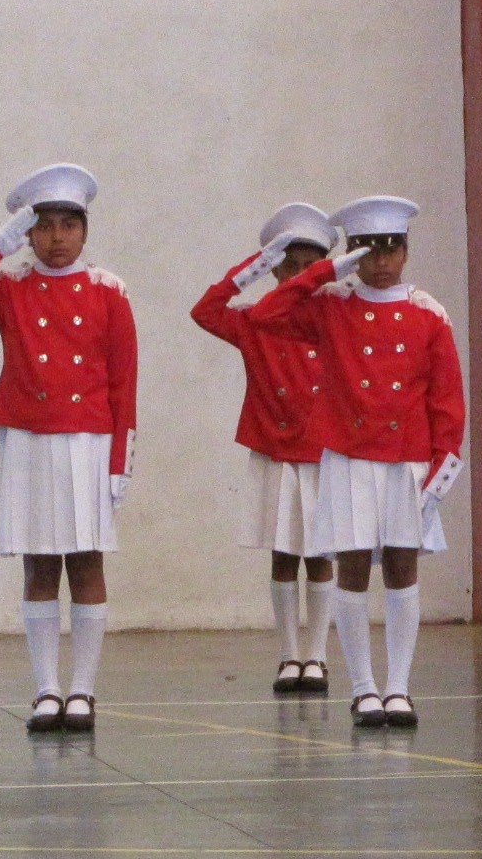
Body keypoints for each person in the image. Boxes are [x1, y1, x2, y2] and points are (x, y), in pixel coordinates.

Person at [0, 164, 137, 733]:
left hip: (87, 440)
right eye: (43, 226)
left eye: (69, 225)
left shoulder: (108, 290)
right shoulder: (9, 285)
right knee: (40, 563)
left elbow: (125, 382)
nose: (57, 238)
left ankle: (83, 691)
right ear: (28, 232)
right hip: (26, 437)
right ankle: (47, 688)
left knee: (87, 562)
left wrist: (120, 461)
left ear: (85, 230)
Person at [250, 196, 465, 728]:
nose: (382, 261)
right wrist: (324, 270)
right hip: (349, 457)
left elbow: (447, 401)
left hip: (406, 460)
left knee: (401, 568)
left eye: (393, 248)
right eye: (368, 250)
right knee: (350, 569)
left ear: (407, 251)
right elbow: (266, 313)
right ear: (352, 255)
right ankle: (364, 687)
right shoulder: (331, 303)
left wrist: (443, 469)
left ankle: (399, 686)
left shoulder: (428, 312)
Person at [191, 203, 338, 695]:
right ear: (274, 268)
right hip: (274, 447)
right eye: (287, 264)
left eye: (309, 265)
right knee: (281, 555)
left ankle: (316, 655)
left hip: (323, 452)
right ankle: (288, 655)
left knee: (319, 555)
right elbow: (205, 310)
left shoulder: (338, 318)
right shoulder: (255, 320)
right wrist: (253, 264)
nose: (298, 275)